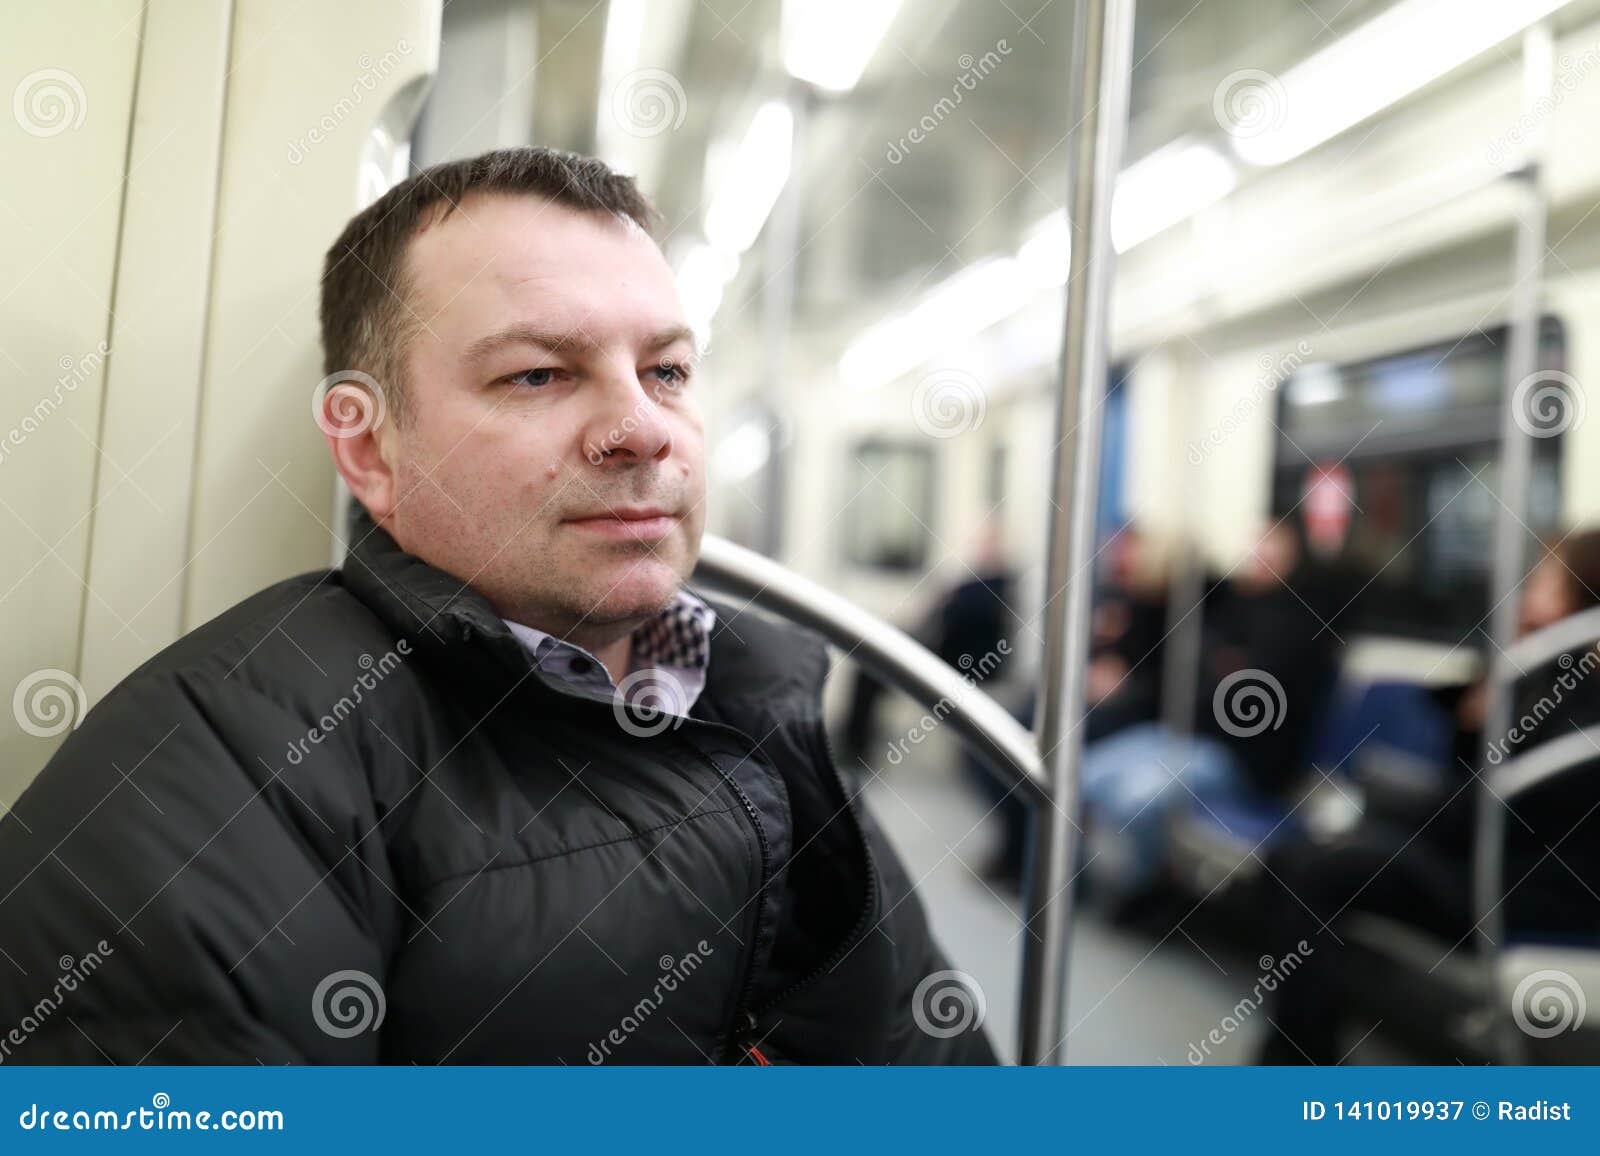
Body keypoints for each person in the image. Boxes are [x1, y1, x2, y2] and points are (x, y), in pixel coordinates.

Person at [0, 148, 995, 1065]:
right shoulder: (223, 757)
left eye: (667, 371)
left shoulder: (748, 693)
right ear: (369, 450)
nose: (640, 429)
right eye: (537, 374)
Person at [1255, 530, 1600, 1064]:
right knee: (1301, 859)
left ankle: (1298, 1061)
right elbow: (1473, 778)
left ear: (1576, 592)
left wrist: (1386, 806)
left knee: (1309, 872)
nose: (1529, 588)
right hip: (1489, 859)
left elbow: (1494, 812)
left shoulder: (1582, 691)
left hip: (1521, 888)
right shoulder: (1545, 670)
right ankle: (1298, 1048)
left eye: (1544, 577)